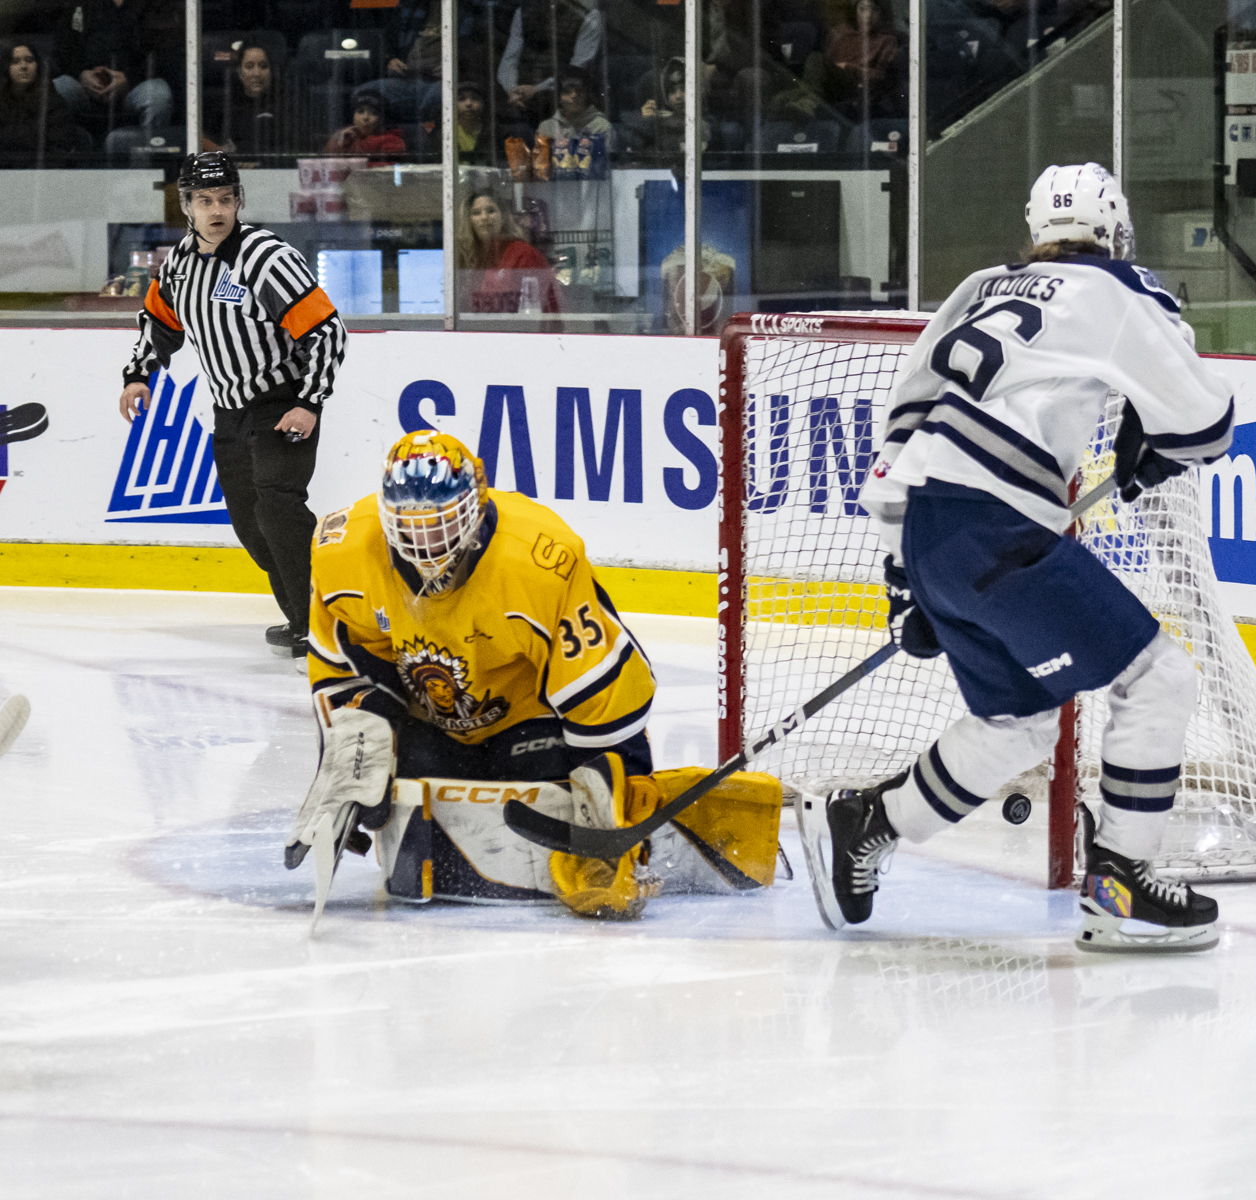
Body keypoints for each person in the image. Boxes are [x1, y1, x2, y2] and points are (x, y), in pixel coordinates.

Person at [797, 162, 1237, 954]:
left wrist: (907, 580)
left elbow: (905, 423)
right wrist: (1154, 439)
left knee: (1018, 723)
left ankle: (869, 823)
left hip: (929, 525)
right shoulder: (1115, 287)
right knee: (1158, 676)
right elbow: (1206, 424)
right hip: (1001, 527)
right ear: (1112, 229)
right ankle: (1122, 883)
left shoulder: (975, 287)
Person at [285, 430, 782, 916]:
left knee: (565, 780)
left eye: (438, 525)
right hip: (434, 725)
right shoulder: (344, 550)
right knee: (393, 775)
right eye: (410, 527)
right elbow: (344, 668)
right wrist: (352, 745)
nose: (425, 543)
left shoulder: (538, 558)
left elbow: (602, 686)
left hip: (531, 727)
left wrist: (623, 787)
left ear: (475, 507)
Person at [117, 152, 347, 659]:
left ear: (239, 201)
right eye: (204, 201)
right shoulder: (177, 265)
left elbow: (328, 331)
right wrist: (138, 374)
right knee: (250, 523)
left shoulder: (267, 257)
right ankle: (302, 616)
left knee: (279, 505)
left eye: (225, 199)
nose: (216, 210)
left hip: (281, 404)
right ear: (187, 207)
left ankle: (325, 624)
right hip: (229, 411)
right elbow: (159, 326)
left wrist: (309, 402)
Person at [50, 0, 173, 152]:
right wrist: (81, 75)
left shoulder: (151, 5)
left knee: (159, 95)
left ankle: (148, 164)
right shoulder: (79, 4)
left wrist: (129, 78)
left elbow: (164, 52)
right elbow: (62, 49)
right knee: (59, 88)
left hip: (134, 87)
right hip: (84, 86)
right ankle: (60, 162)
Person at [455, 189, 562, 313]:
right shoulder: (468, 257)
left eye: (491, 211)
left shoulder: (524, 255)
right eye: (476, 213)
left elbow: (549, 308)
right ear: (468, 220)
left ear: (503, 216)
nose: (484, 217)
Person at [0, 40, 88, 166]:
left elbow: (57, 153)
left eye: (29, 60)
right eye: (15, 62)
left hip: (42, 176)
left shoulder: (54, 104)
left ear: (37, 65)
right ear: (5, 67)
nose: (24, 66)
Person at [206, 41, 291, 158]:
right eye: (249, 66)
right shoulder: (224, 107)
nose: (256, 73)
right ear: (239, 72)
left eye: (263, 66)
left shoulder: (288, 105)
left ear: (272, 71)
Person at [535, 69, 611, 149]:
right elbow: (541, 160)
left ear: (587, 95)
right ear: (558, 97)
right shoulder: (547, 127)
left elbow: (610, 160)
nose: (574, 95)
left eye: (579, 91)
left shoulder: (601, 126)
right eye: (567, 91)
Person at [324, 89, 409, 158]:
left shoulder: (392, 142)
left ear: (383, 119)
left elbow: (383, 172)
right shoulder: (346, 136)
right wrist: (338, 142)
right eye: (360, 111)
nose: (365, 118)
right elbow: (328, 164)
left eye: (373, 113)